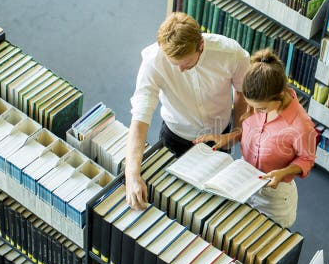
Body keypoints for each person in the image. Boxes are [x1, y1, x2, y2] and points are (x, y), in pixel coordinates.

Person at [125, 12, 249, 210]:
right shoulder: (153, 62)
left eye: (187, 64)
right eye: (175, 65)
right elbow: (139, 120)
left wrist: (237, 132)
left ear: (201, 44)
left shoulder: (231, 53)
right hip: (175, 138)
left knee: (211, 207)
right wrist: (131, 175)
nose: (181, 70)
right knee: (171, 203)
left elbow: (242, 92)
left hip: (219, 137)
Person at [196, 49, 316, 228]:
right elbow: (251, 130)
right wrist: (229, 137)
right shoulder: (257, 102)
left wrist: (283, 172)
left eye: (260, 109)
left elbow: (306, 159)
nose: (254, 110)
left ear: (280, 95)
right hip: (243, 180)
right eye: (251, 106)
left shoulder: (302, 125)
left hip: (273, 195)